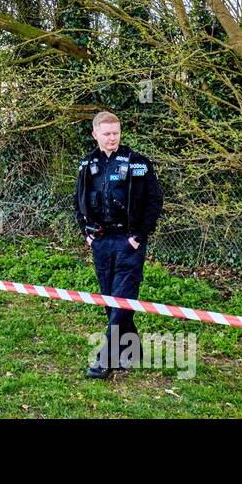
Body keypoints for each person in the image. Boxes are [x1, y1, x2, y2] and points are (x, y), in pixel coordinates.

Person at [73, 111, 164, 379]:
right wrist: (87, 235)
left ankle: (104, 359)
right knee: (111, 302)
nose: (112, 138)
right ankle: (131, 352)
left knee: (121, 299)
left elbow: (154, 201)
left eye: (116, 133)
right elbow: (77, 200)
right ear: (95, 134)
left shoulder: (138, 163)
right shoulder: (87, 164)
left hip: (128, 243)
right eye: (107, 133)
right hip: (101, 242)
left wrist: (138, 236)